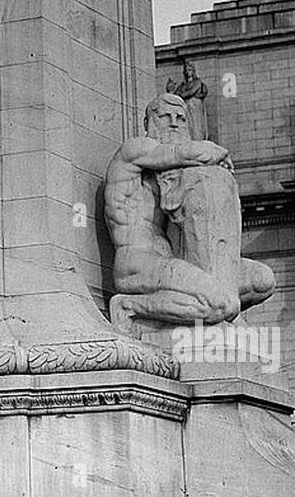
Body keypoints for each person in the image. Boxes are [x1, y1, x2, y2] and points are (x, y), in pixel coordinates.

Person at [103, 94, 273, 332]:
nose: (174, 123)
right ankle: (130, 307)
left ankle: (207, 311)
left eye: (181, 119)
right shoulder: (134, 151)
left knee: (262, 281)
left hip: (168, 263)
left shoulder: (173, 175)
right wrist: (215, 153)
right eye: (165, 116)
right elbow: (177, 153)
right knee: (221, 303)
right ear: (148, 122)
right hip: (137, 262)